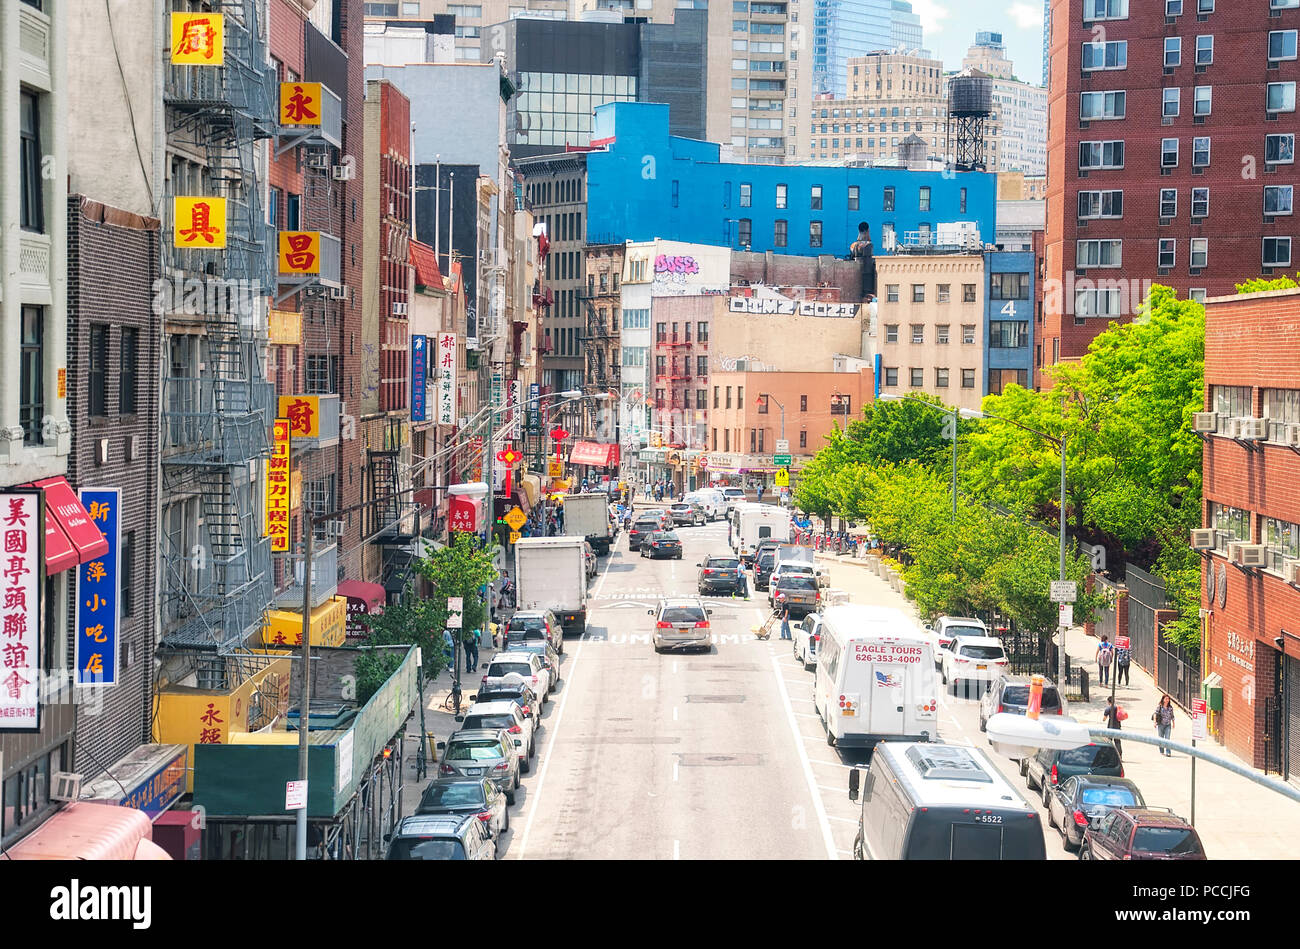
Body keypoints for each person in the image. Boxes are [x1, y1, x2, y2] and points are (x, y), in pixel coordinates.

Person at [1102, 695, 1123, 759]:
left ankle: (1108, 755)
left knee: (1109, 741)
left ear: (1108, 702)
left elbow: (1104, 719)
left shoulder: (1108, 709)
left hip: (1110, 727)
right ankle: (1120, 756)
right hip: (1117, 726)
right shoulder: (1118, 708)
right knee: (1117, 742)